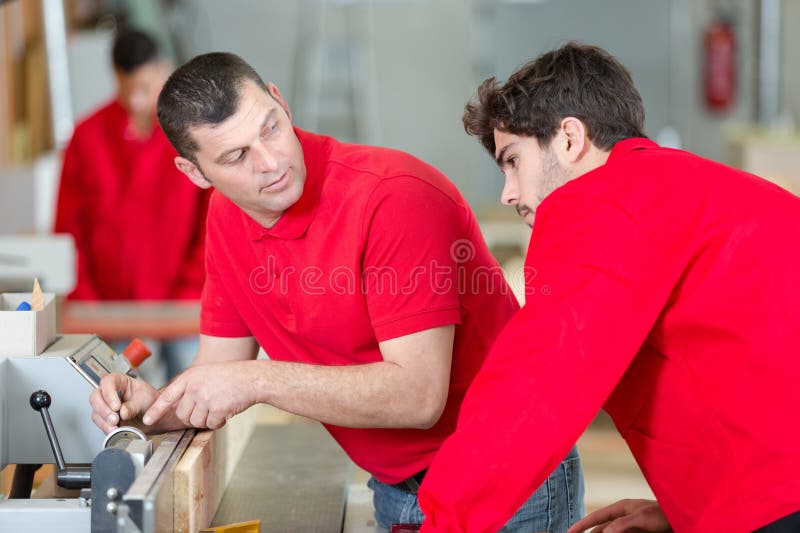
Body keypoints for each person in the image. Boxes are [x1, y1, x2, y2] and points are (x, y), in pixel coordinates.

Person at [87, 52, 585, 531]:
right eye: (236, 155)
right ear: (195, 173)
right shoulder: (227, 219)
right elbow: (215, 375)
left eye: (270, 128)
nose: (269, 162)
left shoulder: (393, 197)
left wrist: (255, 381)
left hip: (510, 480)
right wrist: (152, 408)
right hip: (399, 488)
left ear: (281, 102)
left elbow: (417, 396)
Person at [416, 42, 800, 533]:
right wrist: (692, 507)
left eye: (513, 161)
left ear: (570, 139)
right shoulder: (699, 190)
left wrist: (445, 523)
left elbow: (537, 386)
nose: (509, 192)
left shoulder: (600, 204)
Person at [55, 29, 210, 382]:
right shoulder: (87, 136)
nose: (138, 101)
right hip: (109, 307)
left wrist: (190, 292)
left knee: (191, 391)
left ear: (165, 71)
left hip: (182, 304)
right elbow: (69, 227)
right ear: (116, 78)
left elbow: (211, 222)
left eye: (146, 87)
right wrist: (86, 300)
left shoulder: (189, 136)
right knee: (116, 397)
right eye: (128, 89)